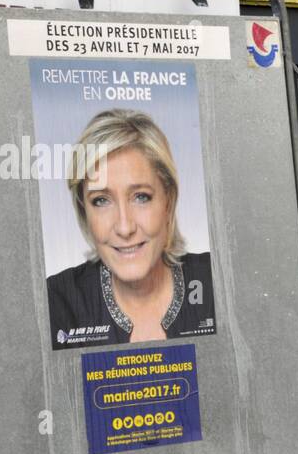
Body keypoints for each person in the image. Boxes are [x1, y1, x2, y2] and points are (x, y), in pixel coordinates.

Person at [47, 109, 215, 350]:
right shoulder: (58, 302)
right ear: (84, 211)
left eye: (141, 197)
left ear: (168, 200)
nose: (125, 227)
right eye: (101, 200)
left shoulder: (216, 281)